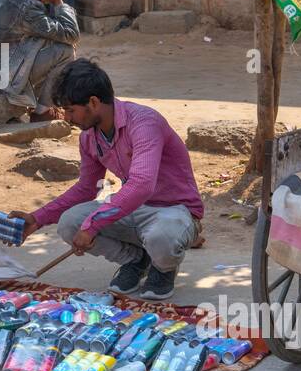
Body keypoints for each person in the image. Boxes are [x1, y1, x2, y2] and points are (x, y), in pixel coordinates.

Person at [11, 60, 203, 301]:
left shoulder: (144, 123)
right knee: (69, 223)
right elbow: (86, 188)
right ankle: (136, 260)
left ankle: (163, 268)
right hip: (133, 208)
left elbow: (142, 184)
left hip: (173, 210)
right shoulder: (89, 137)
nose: (68, 118)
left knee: (161, 237)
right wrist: (37, 218)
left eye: (71, 110)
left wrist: (93, 225)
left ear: (93, 102)